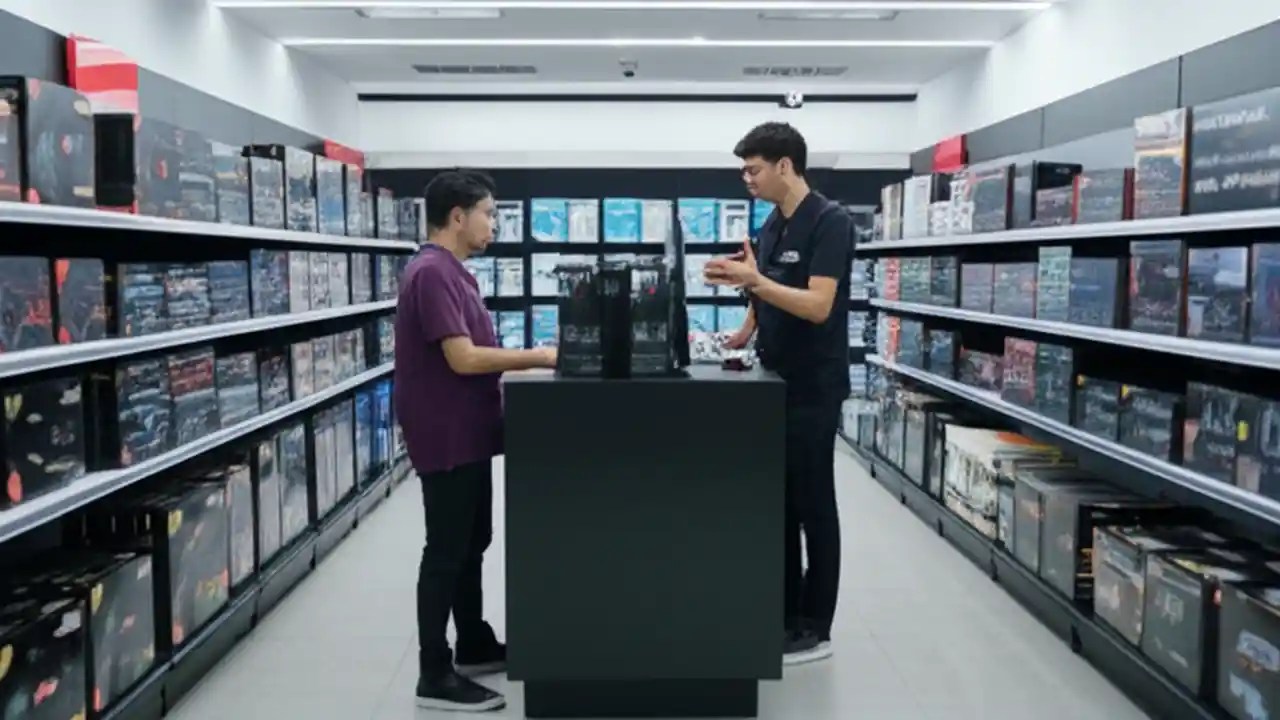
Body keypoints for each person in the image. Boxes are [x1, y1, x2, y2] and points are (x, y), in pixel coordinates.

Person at [394, 169, 557, 712]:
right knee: (445, 550)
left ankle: (474, 641)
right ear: (458, 217)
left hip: (468, 431)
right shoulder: (432, 273)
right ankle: (433, 672)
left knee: (472, 541)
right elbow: (462, 358)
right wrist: (539, 356)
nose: (495, 223)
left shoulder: (456, 272)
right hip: (446, 434)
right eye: (489, 212)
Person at [704, 122, 853, 666]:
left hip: (814, 385)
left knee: (815, 506)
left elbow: (816, 306)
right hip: (775, 382)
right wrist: (747, 325)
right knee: (781, 505)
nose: (747, 178)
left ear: (785, 166)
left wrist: (754, 282)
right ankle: (784, 613)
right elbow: (765, 290)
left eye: (754, 169)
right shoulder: (771, 225)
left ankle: (816, 625)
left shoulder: (830, 223)